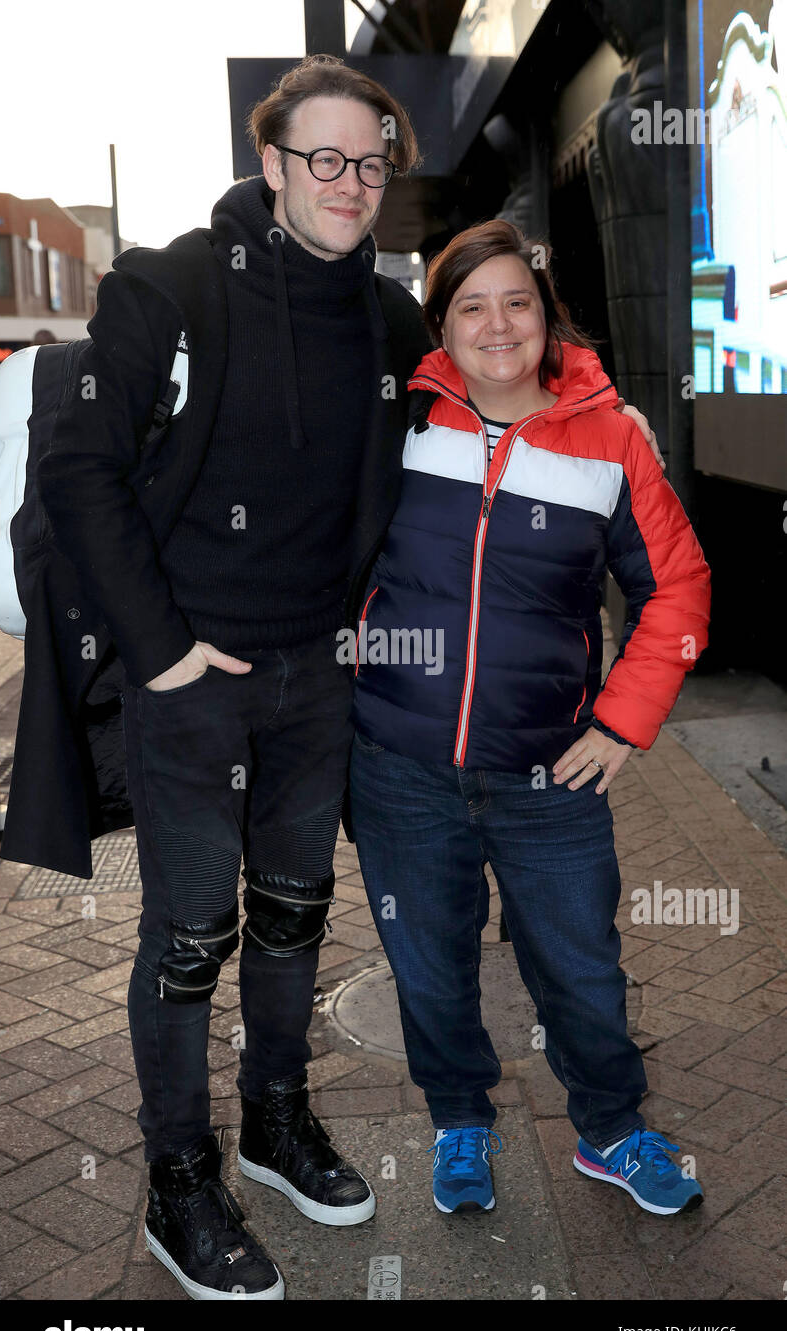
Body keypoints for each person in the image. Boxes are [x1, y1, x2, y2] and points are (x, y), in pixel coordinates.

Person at [3, 57, 663, 1300]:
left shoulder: (387, 316)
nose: (350, 182)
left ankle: (273, 1119)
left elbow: (511, 376)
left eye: (370, 161)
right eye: (325, 158)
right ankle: (177, 1180)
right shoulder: (172, 284)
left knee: (297, 915)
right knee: (190, 931)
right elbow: (81, 466)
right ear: (271, 163)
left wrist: (594, 401)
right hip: (188, 677)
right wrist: (160, 649)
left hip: (321, 678)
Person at [349, 219, 711, 1220]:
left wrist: (620, 724)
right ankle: (458, 1121)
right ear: (440, 324)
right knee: (427, 965)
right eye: (470, 304)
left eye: (516, 300)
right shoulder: (399, 421)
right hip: (398, 764)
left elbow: (675, 590)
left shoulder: (608, 436)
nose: (496, 323)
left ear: (545, 314)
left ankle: (610, 1132)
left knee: (582, 969)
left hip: (549, 772)